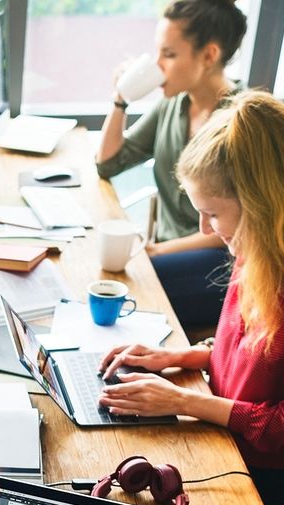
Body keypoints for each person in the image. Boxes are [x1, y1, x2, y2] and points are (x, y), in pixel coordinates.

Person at [98, 90, 284, 505]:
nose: (205, 227)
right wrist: (182, 358)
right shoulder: (258, 245)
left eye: (214, 213)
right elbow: (257, 354)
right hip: (229, 433)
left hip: (280, 476)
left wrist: (186, 402)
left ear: (264, 206)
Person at [96, 0, 247, 331]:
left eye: (169, 54)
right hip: (163, 251)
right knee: (112, 277)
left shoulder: (240, 124)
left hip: (219, 262)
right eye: (157, 54)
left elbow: (235, 228)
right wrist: (120, 99)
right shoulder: (174, 104)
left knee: (121, 290)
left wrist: (157, 252)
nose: (158, 66)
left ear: (208, 55)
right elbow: (107, 163)